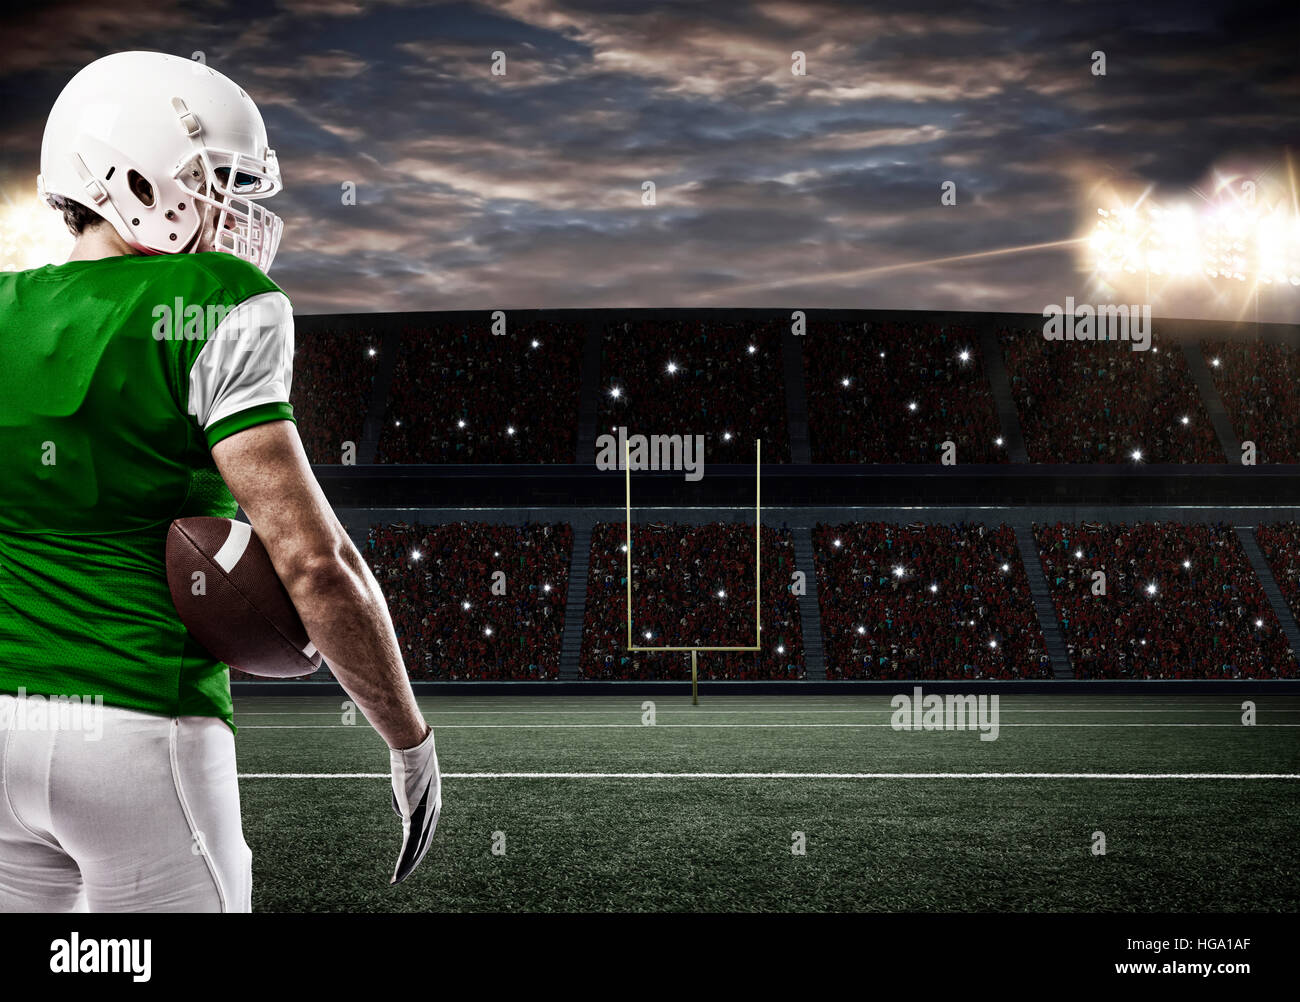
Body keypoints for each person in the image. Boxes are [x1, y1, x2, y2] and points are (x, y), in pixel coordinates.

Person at [0, 51, 438, 912]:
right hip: (140, 725)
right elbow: (316, 564)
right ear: (134, 175)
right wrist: (407, 738)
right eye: (215, 180)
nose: (232, 209)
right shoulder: (213, 297)